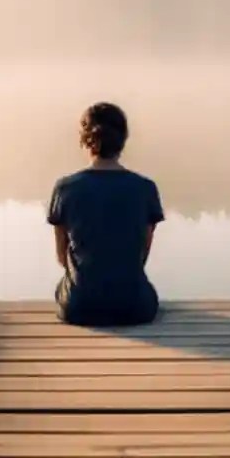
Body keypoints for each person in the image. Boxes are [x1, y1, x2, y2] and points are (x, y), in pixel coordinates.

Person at [47, 102, 164, 326]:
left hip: (79, 308)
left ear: (85, 139)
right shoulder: (145, 188)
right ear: (123, 139)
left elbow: (62, 258)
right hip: (135, 307)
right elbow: (141, 255)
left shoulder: (65, 188)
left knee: (63, 289)